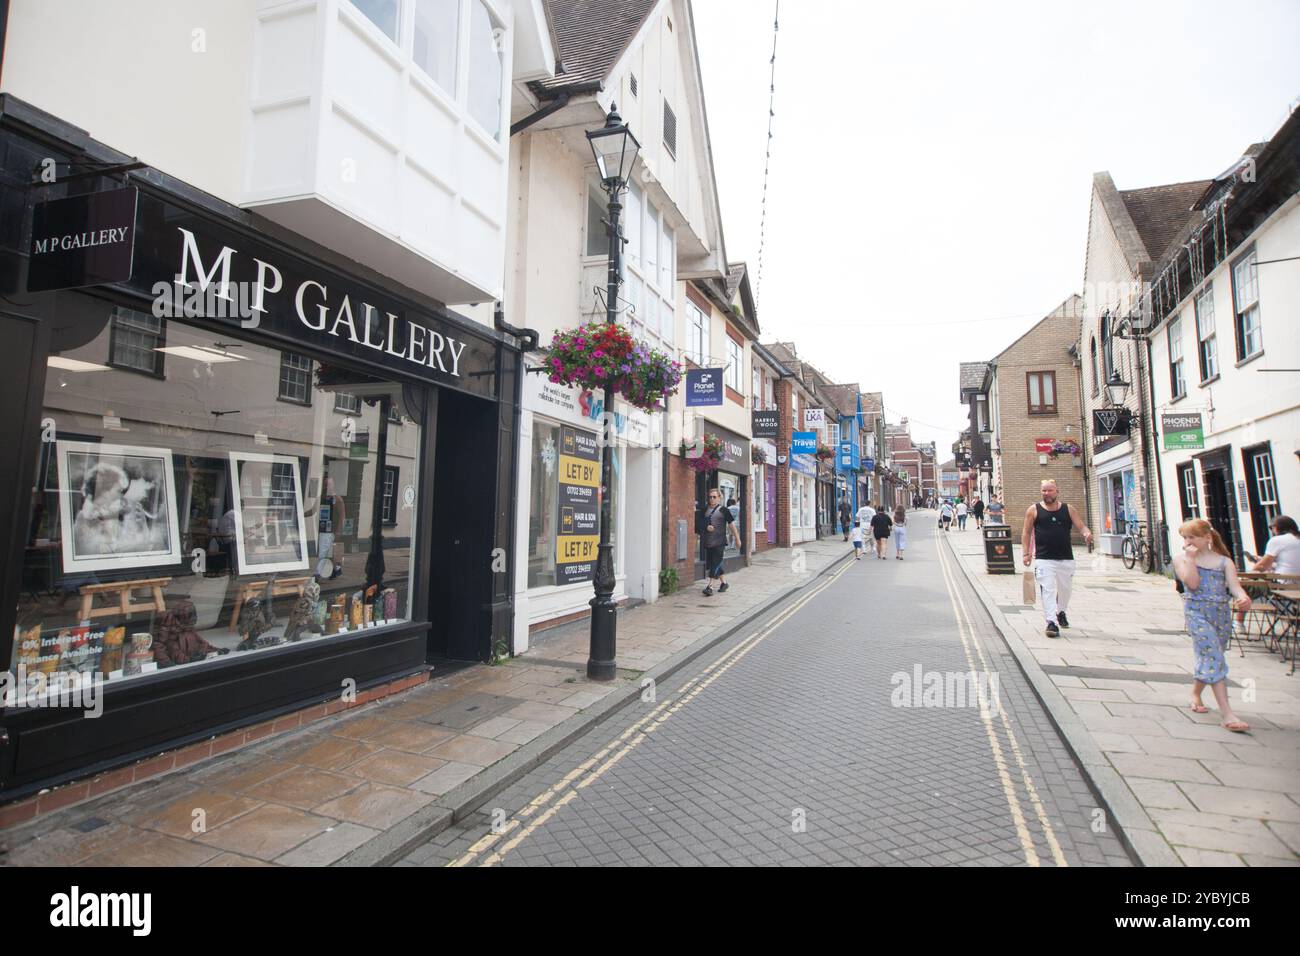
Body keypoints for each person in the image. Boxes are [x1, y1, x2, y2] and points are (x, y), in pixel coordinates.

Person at [1173, 519, 1252, 732]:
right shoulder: (1181, 559)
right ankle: (1227, 714)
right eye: (1185, 538)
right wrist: (1190, 558)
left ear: (1207, 537)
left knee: (1211, 656)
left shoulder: (1224, 562)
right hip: (1196, 612)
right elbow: (1192, 584)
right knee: (1213, 656)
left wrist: (1243, 598)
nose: (1188, 541)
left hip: (1220, 613)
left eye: (1193, 537)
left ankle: (1196, 693)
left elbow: (1235, 588)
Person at [1021, 479, 1093, 638]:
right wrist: (1026, 553)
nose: (1047, 494)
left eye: (1050, 490)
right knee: (1047, 589)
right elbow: (1026, 532)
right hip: (1044, 558)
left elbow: (1081, 526)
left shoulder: (1068, 509)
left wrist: (1086, 533)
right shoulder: (1034, 510)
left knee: (1065, 590)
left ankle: (1061, 612)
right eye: (1044, 491)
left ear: (1057, 491)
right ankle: (1051, 622)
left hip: (1066, 558)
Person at [697, 488, 735, 597]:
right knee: (712, 563)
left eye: (714, 497)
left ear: (719, 498)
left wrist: (737, 539)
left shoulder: (724, 510)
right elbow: (699, 523)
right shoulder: (704, 509)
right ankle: (724, 583)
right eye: (710, 497)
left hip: (720, 542)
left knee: (715, 562)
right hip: (708, 542)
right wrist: (706, 526)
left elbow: (731, 525)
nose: (712, 499)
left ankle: (710, 586)